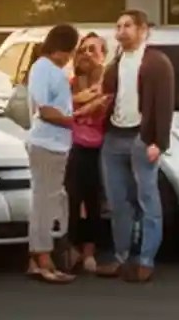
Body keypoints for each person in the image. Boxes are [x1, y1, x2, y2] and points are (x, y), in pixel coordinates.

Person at [97, 10, 176, 283]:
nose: (121, 30)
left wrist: (159, 142)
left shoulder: (157, 62)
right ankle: (121, 256)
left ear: (143, 30)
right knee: (118, 201)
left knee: (147, 199)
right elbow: (106, 94)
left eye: (127, 25)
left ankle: (145, 259)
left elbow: (165, 105)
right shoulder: (117, 62)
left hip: (140, 138)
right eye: (118, 26)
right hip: (114, 136)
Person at [25, 23, 80, 284]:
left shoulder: (50, 69)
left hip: (55, 145)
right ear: (63, 49)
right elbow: (45, 110)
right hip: (48, 144)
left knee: (49, 200)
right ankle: (42, 257)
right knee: (44, 203)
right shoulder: (44, 68)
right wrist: (75, 120)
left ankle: (39, 255)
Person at [64, 32, 113, 273]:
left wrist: (80, 108)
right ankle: (71, 249)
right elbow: (61, 107)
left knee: (93, 201)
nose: (86, 55)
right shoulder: (70, 84)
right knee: (71, 200)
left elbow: (104, 103)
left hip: (98, 150)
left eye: (93, 50)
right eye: (83, 50)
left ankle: (90, 252)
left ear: (103, 56)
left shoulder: (109, 84)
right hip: (72, 148)